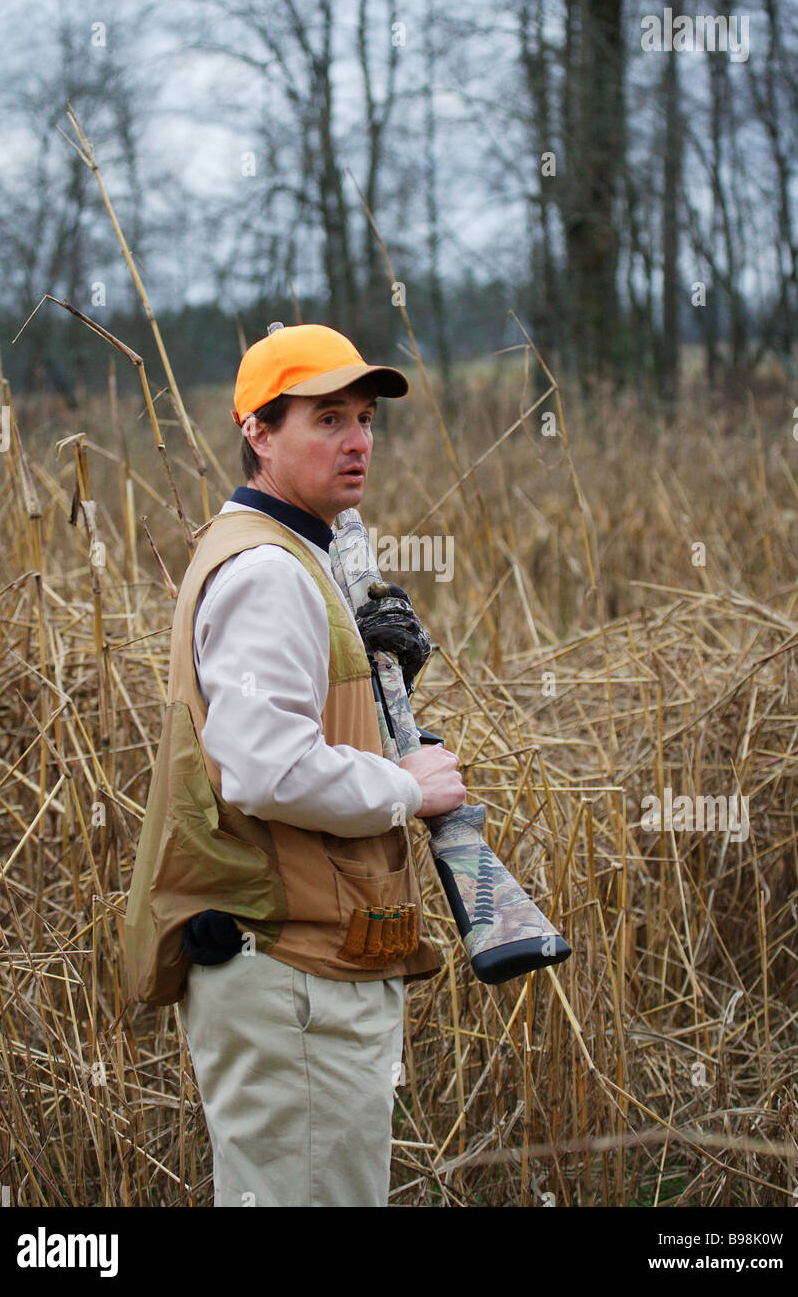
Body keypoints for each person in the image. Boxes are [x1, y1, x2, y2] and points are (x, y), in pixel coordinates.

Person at [124, 322, 465, 1208]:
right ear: (260, 432)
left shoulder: (299, 556)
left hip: (309, 960)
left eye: (364, 418)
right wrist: (404, 788)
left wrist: (380, 684)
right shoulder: (268, 572)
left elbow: (285, 730)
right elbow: (265, 770)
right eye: (327, 419)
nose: (357, 442)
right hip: (289, 973)